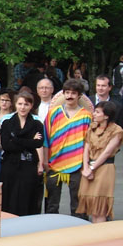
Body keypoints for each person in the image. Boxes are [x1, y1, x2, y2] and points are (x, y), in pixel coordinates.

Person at [43, 78, 92, 217]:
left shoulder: (86, 116)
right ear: (63, 94)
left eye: (73, 93)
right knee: (51, 204)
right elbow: (46, 138)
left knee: (78, 204)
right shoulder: (53, 113)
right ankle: (49, 231)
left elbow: (89, 142)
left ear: (79, 96)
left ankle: (80, 232)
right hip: (54, 163)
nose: (70, 96)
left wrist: (86, 164)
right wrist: (45, 161)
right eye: (67, 92)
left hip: (77, 164)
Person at [76, 100, 123, 222]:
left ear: (106, 115)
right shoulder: (92, 127)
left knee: (100, 206)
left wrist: (92, 168)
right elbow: (86, 148)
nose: (94, 114)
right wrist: (86, 167)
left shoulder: (116, 131)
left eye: (98, 112)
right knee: (92, 208)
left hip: (104, 168)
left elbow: (107, 152)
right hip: (89, 168)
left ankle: (101, 234)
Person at [0, 89, 45, 215]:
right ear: (15, 105)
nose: (23, 107)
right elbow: (6, 145)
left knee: (27, 196)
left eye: (26, 104)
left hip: (29, 165)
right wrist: (29, 141)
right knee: (9, 197)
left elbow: (38, 143)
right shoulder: (7, 123)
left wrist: (16, 140)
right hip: (10, 165)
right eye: (20, 104)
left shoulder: (37, 124)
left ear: (31, 106)